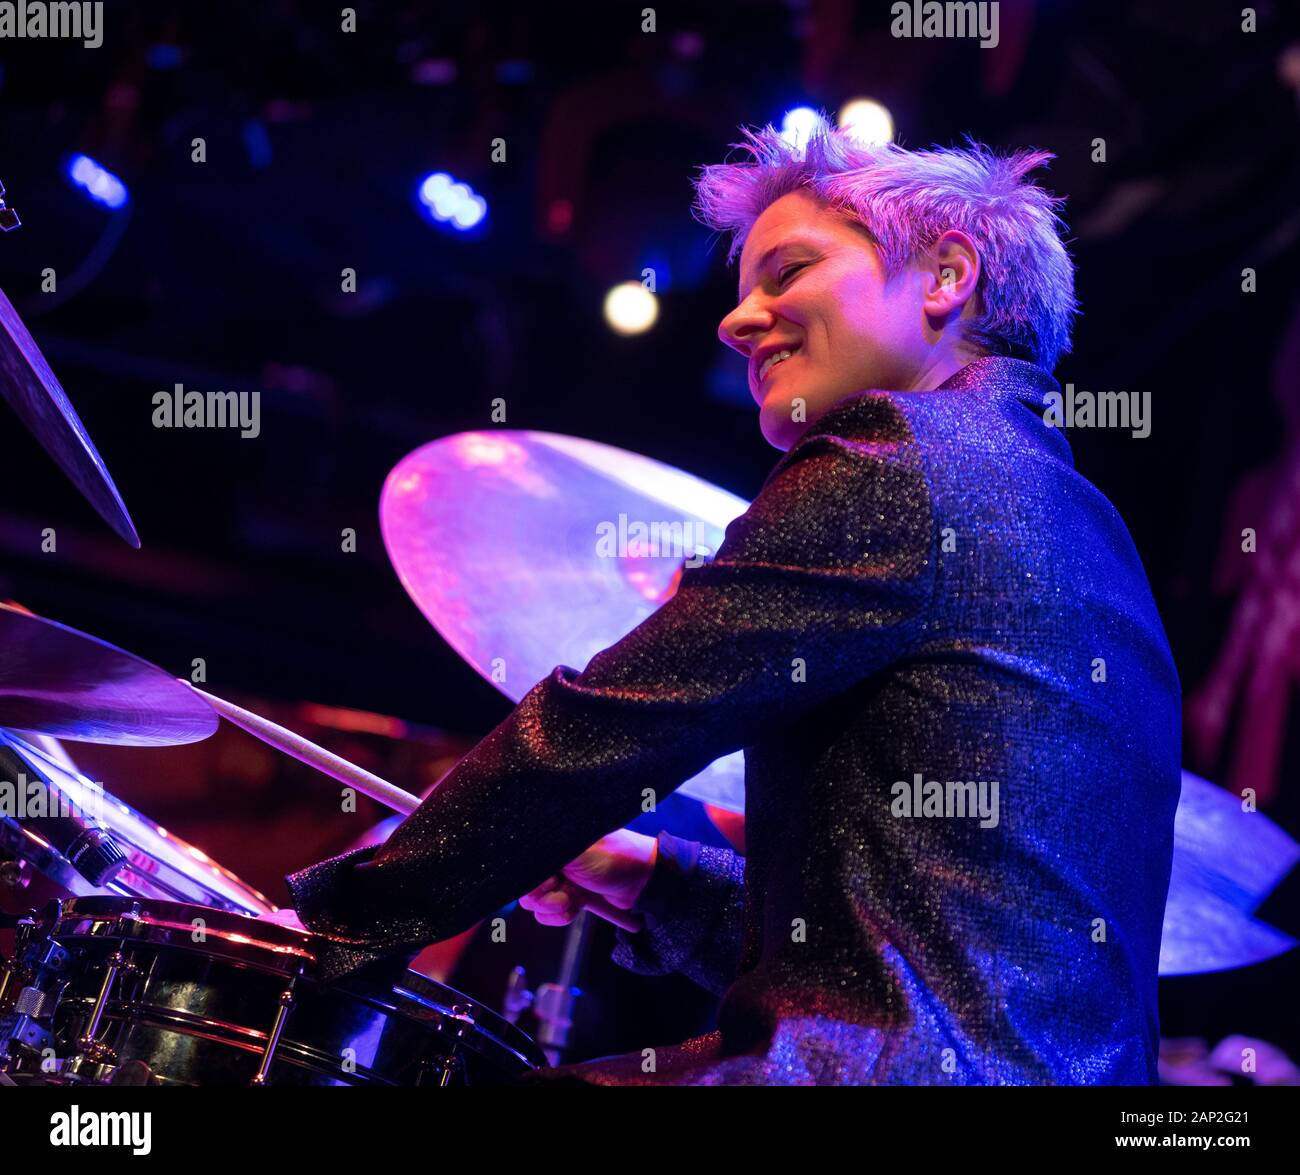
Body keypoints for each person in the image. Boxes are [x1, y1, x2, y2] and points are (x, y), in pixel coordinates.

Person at [283, 114, 1181, 1084]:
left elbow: (601, 728)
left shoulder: (902, 455)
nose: (735, 318)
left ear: (945, 276)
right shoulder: (1093, 532)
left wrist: (332, 926)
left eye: (785, 272)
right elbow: (918, 952)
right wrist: (655, 876)